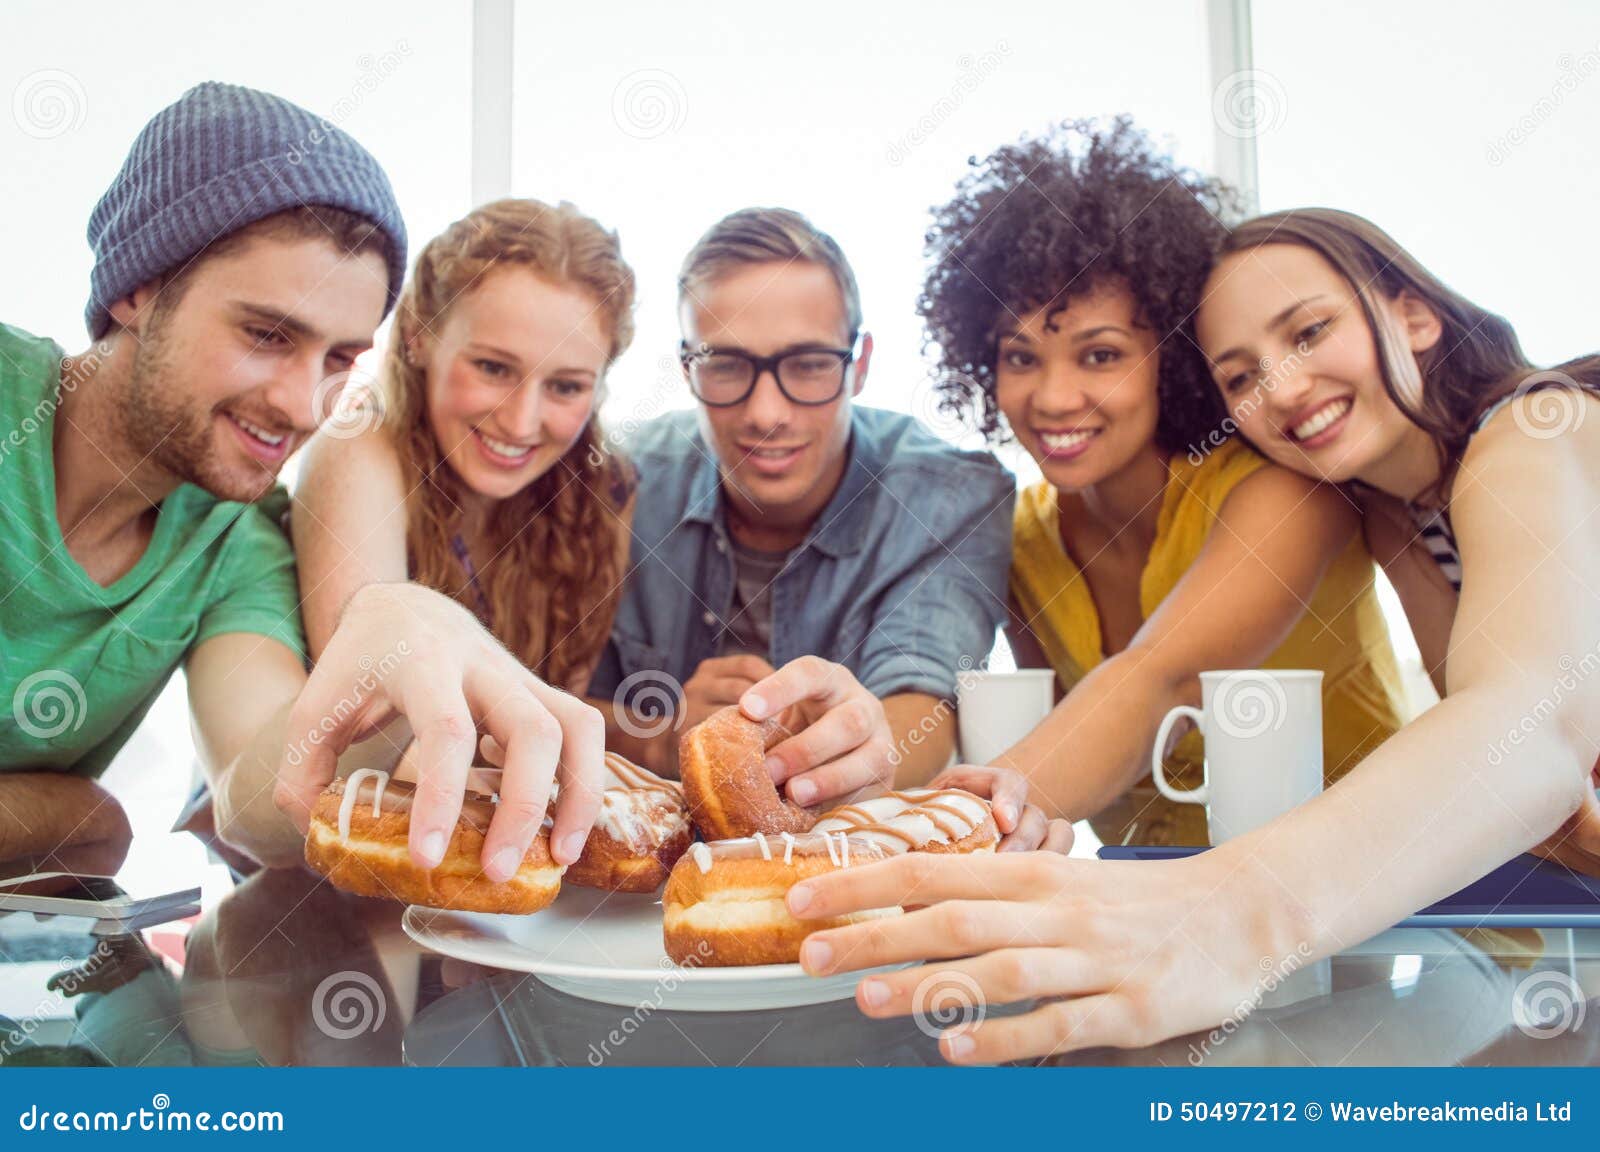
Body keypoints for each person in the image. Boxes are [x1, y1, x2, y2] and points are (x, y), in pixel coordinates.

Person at [785, 205, 1600, 1064]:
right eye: (1241, 376)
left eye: (1310, 331)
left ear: (1414, 313)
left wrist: (1229, 912)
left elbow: (1527, 721)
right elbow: (1536, 763)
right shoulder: (1399, 515)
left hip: (1426, 949)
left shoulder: (1532, 429)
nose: (1282, 389)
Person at [0, 82, 606, 885]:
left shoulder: (234, 536)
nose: (299, 403)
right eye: (266, 334)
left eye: (338, 359)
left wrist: (407, 631)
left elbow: (263, 798)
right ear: (136, 288)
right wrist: (72, 812)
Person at [913, 119, 1407, 845]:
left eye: (1101, 354)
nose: (1052, 398)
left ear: (1174, 357)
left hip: (1386, 916)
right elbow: (1073, 758)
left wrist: (952, 825)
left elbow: (1161, 680)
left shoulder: (1285, 494)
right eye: (1020, 358)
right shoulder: (1022, 544)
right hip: (1151, 916)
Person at [589, 208, 1015, 806]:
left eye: (810, 365)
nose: (766, 414)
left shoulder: (948, 493)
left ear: (859, 365)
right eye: (727, 365)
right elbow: (528, 702)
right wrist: (660, 738)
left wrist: (827, 753)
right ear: (688, 369)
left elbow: (925, 703)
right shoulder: (616, 483)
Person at [292, 198, 637, 782]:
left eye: (567, 386)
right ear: (419, 337)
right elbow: (379, 728)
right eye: (494, 369)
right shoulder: (361, 448)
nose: (522, 421)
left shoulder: (600, 490)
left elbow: (549, 725)